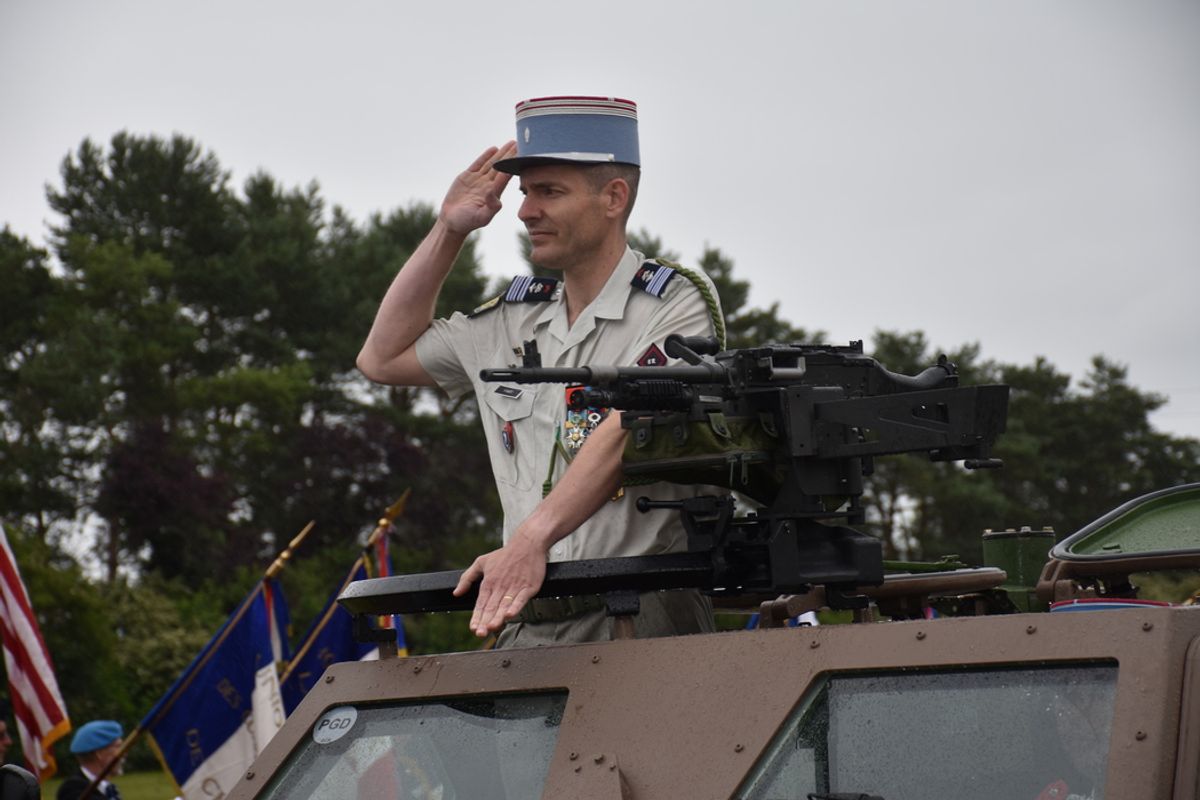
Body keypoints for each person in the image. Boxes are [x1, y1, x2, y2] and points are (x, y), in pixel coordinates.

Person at [357, 96, 725, 646]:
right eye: (526, 192)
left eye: (549, 192)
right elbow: (381, 359)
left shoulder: (673, 302)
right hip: (528, 614)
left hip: (638, 614)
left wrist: (529, 541)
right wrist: (449, 230)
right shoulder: (513, 319)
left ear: (613, 198)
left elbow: (623, 430)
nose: (526, 210)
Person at [56, 720, 124, 800]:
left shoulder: (108, 789)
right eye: (118, 746)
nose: (124, 753)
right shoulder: (73, 790)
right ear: (99, 754)